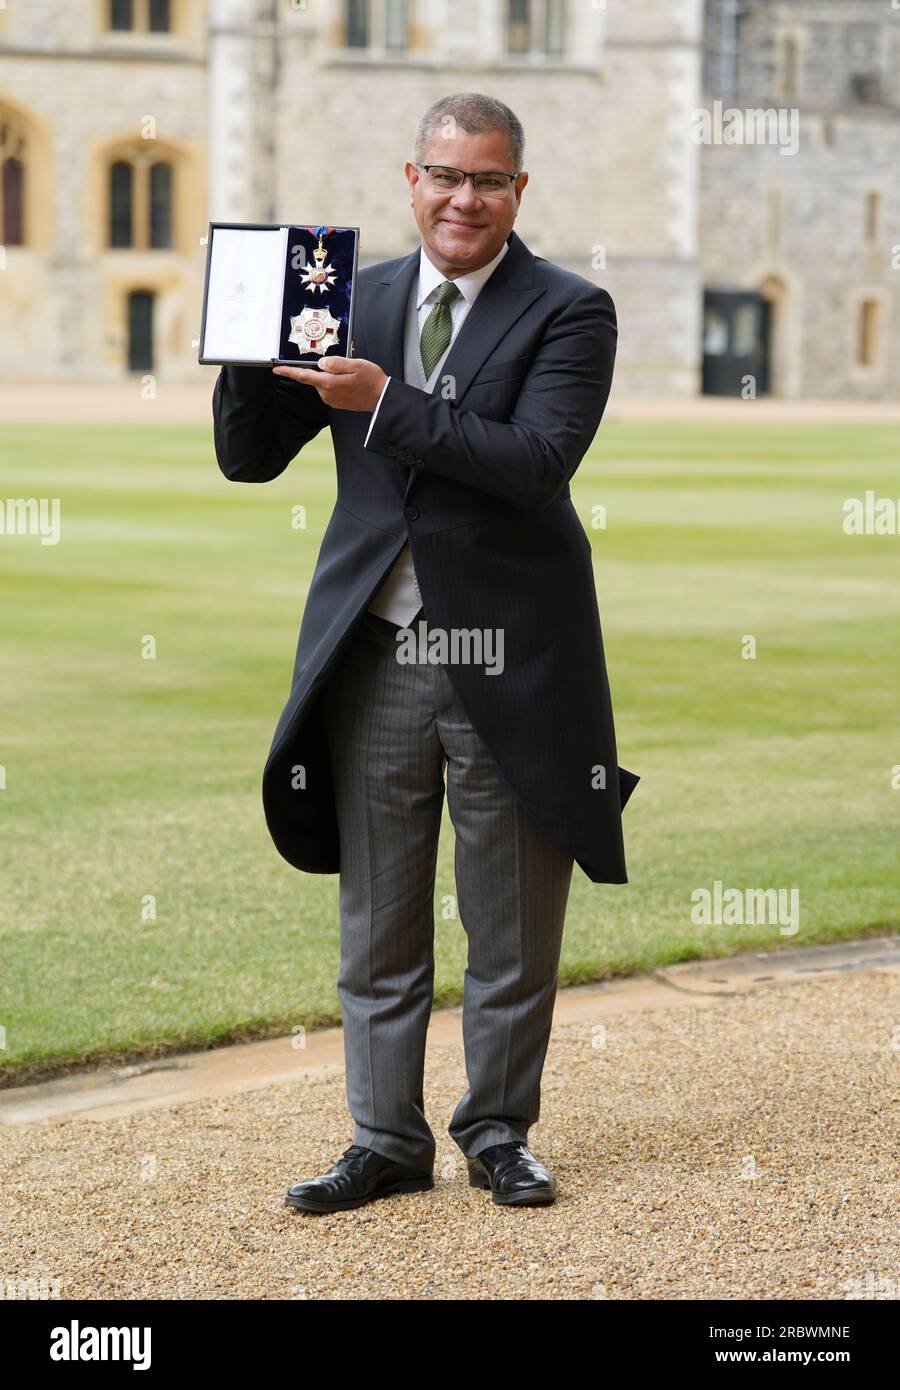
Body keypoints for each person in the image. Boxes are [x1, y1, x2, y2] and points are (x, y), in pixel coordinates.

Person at [212, 92, 638, 1213]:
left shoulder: (570, 309)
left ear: (518, 192)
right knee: (378, 923)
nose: (465, 198)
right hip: (379, 656)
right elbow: (252, 459)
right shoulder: (355, 297)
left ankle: (498, 1130)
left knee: (508, 925)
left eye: (488, 180)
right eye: (446, 176)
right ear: (412, 180)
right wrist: (245, 342)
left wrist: (386, 401)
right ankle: (384, 1139)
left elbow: (535, 460)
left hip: (509, 658)